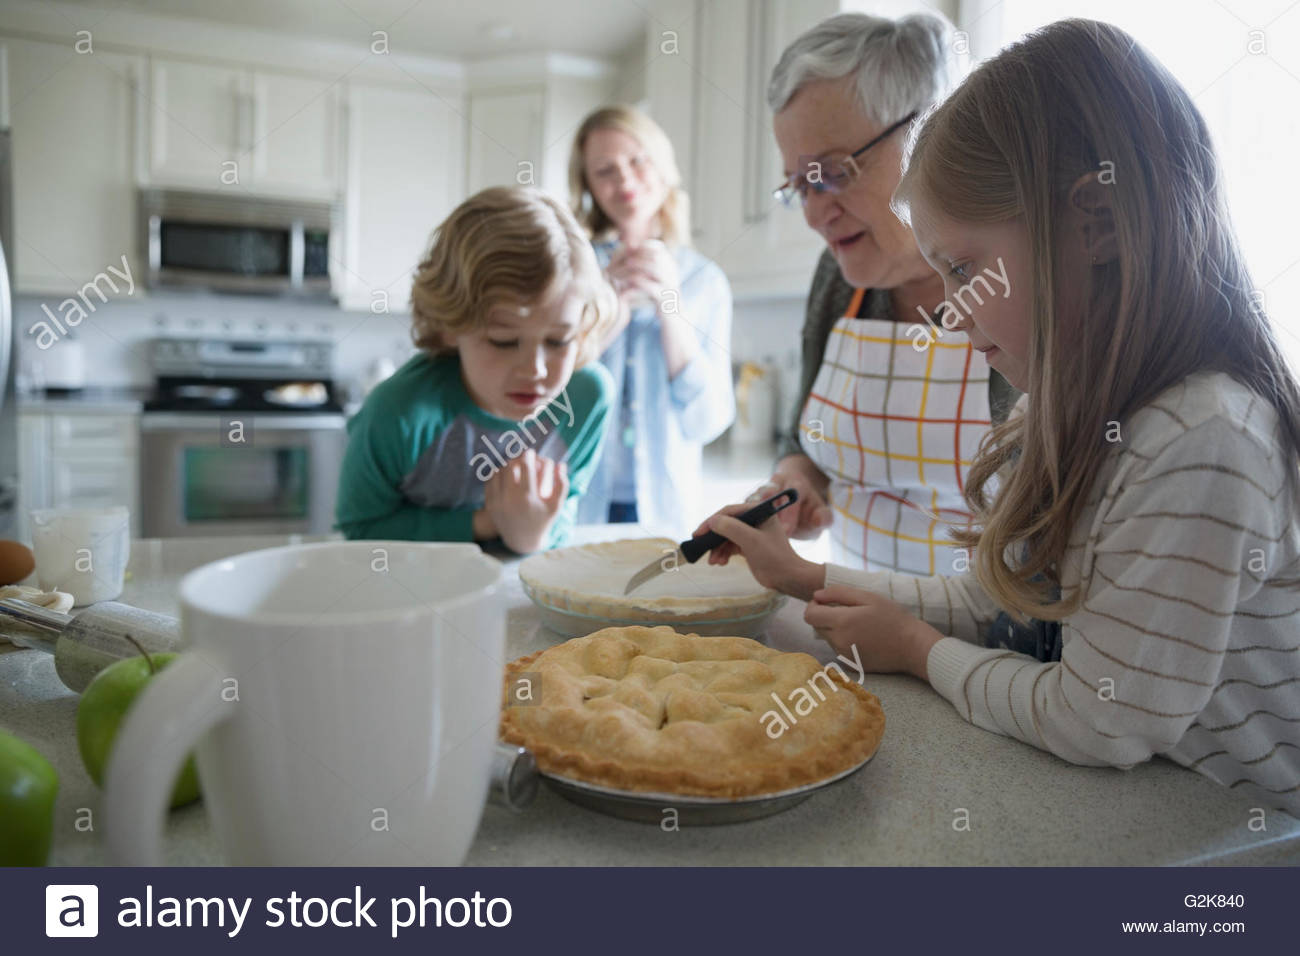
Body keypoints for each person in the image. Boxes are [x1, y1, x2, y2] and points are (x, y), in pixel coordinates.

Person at [701, 19, 1300, 814]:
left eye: (966, 270)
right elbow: (1013, 602)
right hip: (1125, 803)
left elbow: (1099, 719)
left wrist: (918, 651)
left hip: (1236, 847)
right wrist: (806, 576)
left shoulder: (1199, 440)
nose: (953, 310)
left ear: (1096, 225)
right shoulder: (1076, 398)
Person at [744, 12, 1017, 576]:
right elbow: (805, 439)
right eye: (800, 185)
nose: (817, 214)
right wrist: (796, 481)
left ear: (933, 130)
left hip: (985, 652)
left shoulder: (1016, 284)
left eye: (833, 172)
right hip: (850, 634)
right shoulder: (838, 278)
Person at [335, 187, 616, 552]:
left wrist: (531, 535)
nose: (534, 370)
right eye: (503, 341)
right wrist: (485, 523)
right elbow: (360, 529)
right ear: (450, 325)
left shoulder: (587, 397)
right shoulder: (397, 413)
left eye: (559, 341)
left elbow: (563, 513)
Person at [569, 106, 734, 535]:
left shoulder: (705, 282)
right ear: (589, 187)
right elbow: (547, 407)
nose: (623, 180)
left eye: (637, 160)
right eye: (604, 170)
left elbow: (708, 421)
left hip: (666, 510)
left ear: (662, 166)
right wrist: (609, 310)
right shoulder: (572, 273)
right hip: (580, 502)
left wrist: (669, 306)